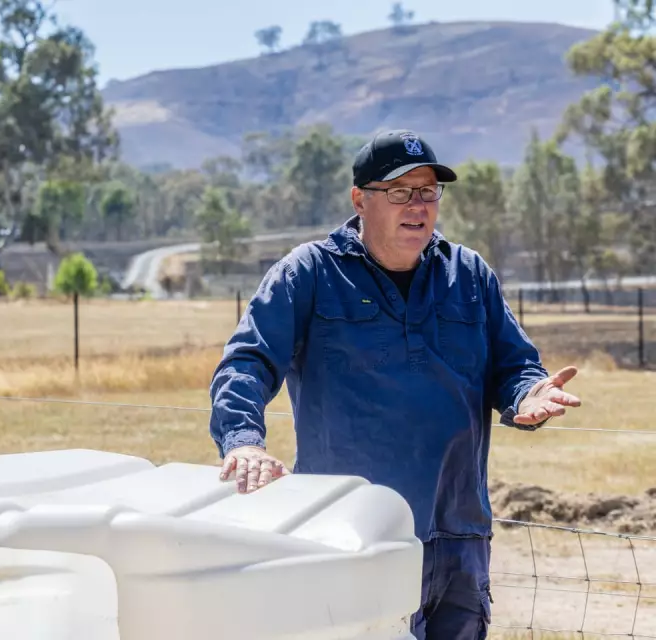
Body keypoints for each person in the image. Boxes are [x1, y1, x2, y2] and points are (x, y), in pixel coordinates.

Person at [207, 129, 582, 639]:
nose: (418, 206)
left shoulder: (468, 274)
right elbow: (245, 364)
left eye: (428, 192)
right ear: (360, 199)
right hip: (349, 534)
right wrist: (244, 441)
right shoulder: (310, 274)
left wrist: (527, 394)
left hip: (457, 532)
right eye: (400, 192)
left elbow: (514, 367)